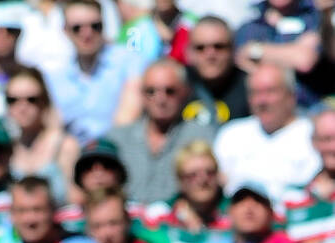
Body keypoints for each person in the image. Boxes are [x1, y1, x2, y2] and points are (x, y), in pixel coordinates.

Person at [108, 58, 216, 206]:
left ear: (185, 92)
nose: (160, 99)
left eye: (169, 91)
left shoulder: (201, 135)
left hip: (179, 221)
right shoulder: (118, 139)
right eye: (151, 91)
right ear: (142, 95)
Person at [212, 63, 319, 206]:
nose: (262, 101)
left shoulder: (313, 135)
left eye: (270, 91)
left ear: (291, 95)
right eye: (255, 93)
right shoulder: (231, 135)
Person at [44, 0, 143, 143]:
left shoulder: (128, 61)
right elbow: (54, 126)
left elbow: (127, 119)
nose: (87, 33)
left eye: (95, 26)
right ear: (65, 30)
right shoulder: (56, 76)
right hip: (74, 152)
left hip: (116, 147)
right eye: (77, 28)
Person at [4, 67, 79, 203]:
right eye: (13, 100)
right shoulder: (3, 144)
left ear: (44, 101)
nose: (22, 107)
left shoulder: (65, 145)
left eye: (31, 99)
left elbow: (76, 201)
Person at [184, 15, 250, 123]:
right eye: (200, 48)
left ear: (233, 49)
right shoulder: (174, 85)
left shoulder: (251, 87)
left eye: (219, 47)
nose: (210, 55)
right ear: (189, 53)